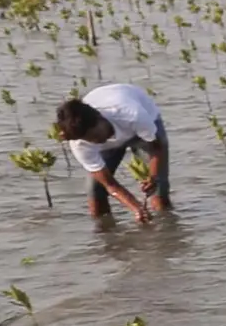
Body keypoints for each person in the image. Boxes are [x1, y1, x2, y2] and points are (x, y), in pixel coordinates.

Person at [54, 83, 169, 222]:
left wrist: (153, 177)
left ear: (100, 117)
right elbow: (110, 184)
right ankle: (104, 234)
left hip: (142, 127)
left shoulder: (132, 114)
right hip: (118, 123)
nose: (96, 142)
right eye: (89, 140)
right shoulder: (80, 143)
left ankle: (166, 228)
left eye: (95, 135)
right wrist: (137, 208)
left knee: (158, 190)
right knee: (95, 190)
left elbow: (157, 148)